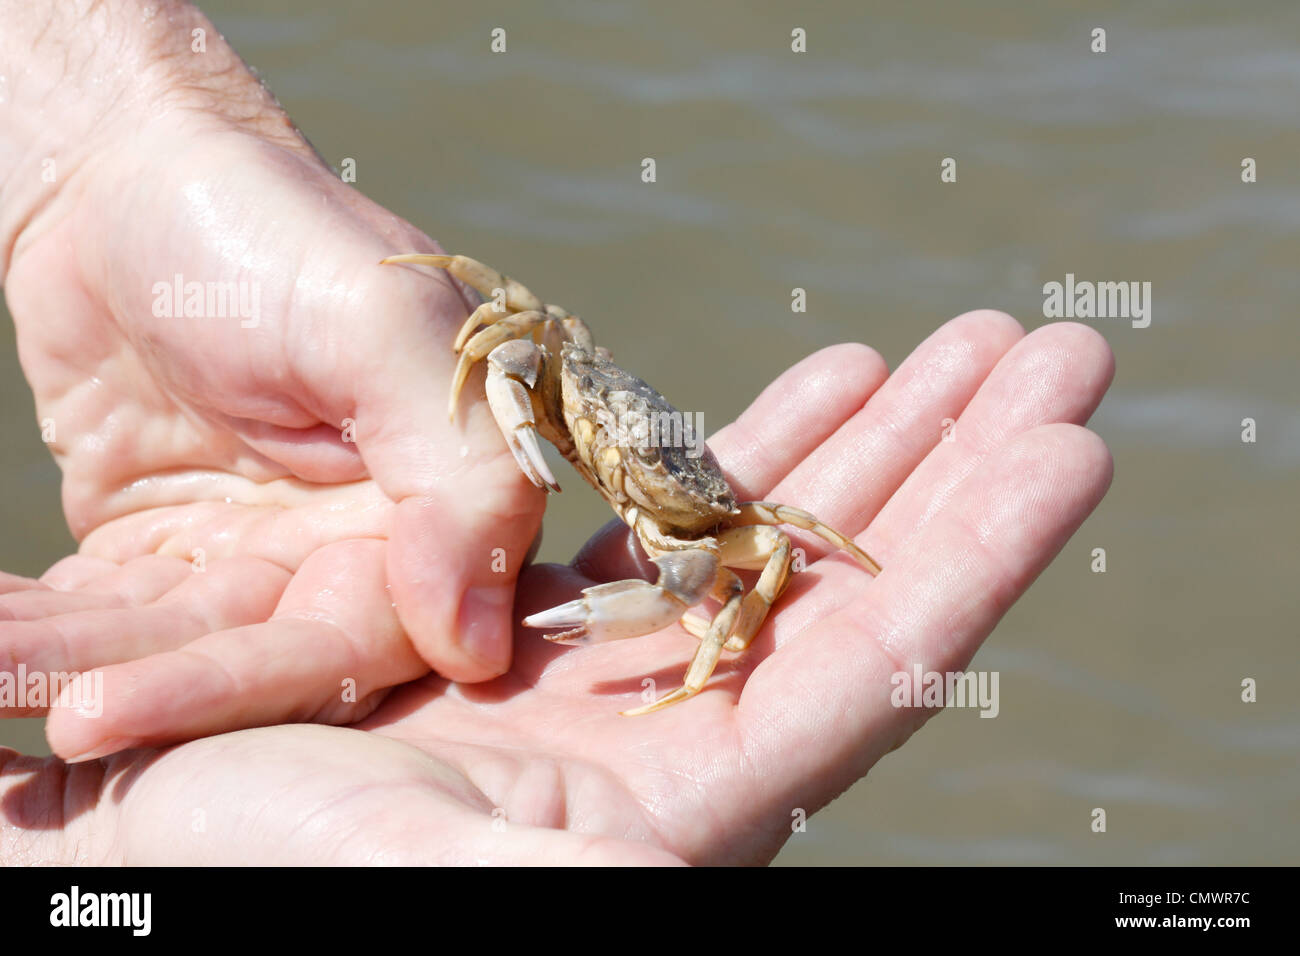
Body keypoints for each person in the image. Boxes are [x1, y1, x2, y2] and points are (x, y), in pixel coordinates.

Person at [0, 1, 1113, 864]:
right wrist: (114, 157)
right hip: (592, 400)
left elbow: (767, 546)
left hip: (691, 502)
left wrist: (113, 144)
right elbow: (499, 320)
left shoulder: (721, 520)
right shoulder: (565, 360)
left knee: (740, 573)